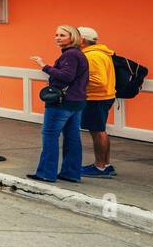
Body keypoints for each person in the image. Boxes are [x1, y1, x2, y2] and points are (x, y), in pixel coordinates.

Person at [28, 25, 89, 183]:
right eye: (56, 35)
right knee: (72, 137)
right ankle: (71, 173)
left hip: (62, 103)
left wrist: (44, 66)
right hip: (77, 102)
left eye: (62, 35)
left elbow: (66, 76)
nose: (58, 37)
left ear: (72, 37)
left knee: (50, 135)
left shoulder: (70, 55)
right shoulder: (78, 54)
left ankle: (46, 173)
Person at [78, 27, 117, 178]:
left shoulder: (92, 56)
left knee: (97, 131)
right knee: (100, 130)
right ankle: (105, 164)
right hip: (104, 96)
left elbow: (98, 81)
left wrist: (77, 86)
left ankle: (100, 166)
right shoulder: (100, 52)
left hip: (96, 98)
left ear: (82, 40)